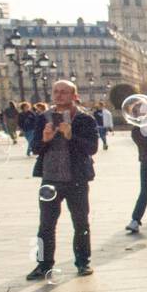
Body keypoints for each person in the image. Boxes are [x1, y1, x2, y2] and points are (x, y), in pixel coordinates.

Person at [27, 81, 99, 280]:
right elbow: (35, 148)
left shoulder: (85, 119)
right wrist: (45, 140)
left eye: (64, 92)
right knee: (45, 225)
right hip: (50, 179)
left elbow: (92, 148)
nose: (59, 95)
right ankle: (43, 265)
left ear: (74, 95)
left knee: (81, 223)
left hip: (76, 179)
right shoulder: (43, 118)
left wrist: (70, 135)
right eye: (56, 92)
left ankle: (83, 262)